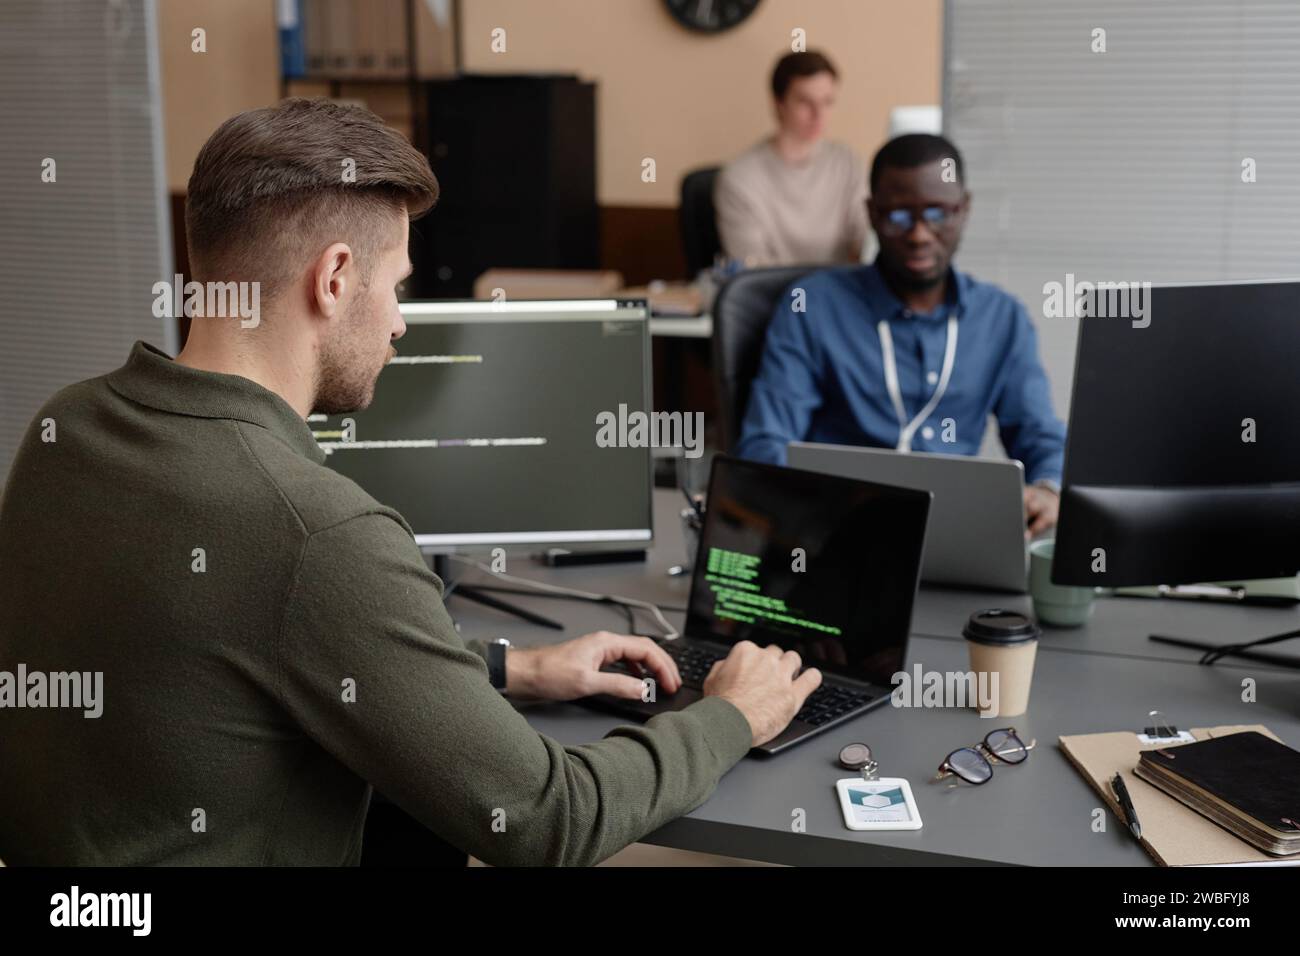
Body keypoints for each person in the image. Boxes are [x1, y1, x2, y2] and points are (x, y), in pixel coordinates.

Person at [0, 99, 821, 867]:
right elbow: (548, 817)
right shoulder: (321, 530)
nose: (399, 320)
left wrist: (512, 670)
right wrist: (730, 716)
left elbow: (231, 644)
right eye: (395, 286)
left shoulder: (65, 427)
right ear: (333, 279)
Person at [734, 133, 1066, 536]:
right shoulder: (812, 307)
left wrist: (1048, 489)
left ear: (964, 210)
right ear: (872, 214)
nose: (920, 234)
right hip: (835, 532)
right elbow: (767, 442)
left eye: (938, 213)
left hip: (955, 533)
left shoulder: (1002, 319)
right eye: (899, 216)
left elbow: (1040, 436)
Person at [714, 50, 868, 267]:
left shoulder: (847, 163)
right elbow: (753, 270)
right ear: (779, 103)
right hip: (773, 298)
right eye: (806, 102)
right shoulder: (740, 177)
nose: (819, 114)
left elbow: (866, 242)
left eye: (827, 102)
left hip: (839, 295)